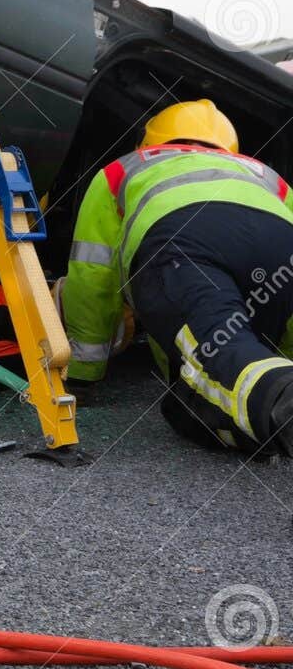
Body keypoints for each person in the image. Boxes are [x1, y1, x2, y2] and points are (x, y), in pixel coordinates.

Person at [60, 99, 293, 456]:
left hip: (184, 240)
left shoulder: (121, 170)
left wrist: (82, 372)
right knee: (189, 399)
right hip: (279, 241)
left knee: (222, 348)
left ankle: (276, 395)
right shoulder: (267, 176)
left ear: (151, 141)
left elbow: (93, 275)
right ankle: (264, 394)